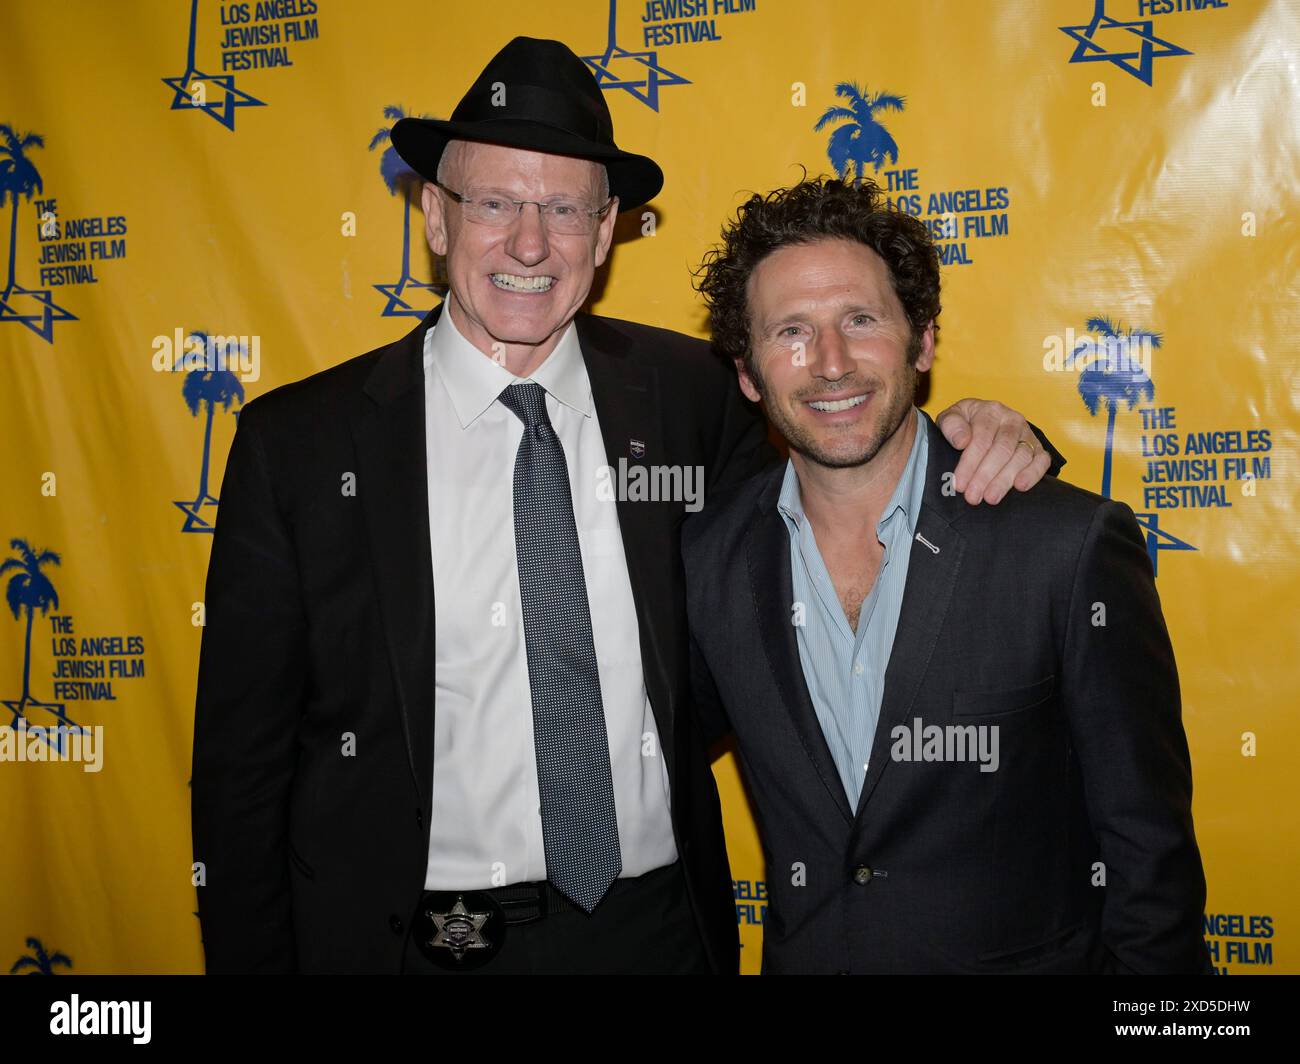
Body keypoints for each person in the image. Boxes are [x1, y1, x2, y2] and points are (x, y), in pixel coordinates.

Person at [191, 36, 1058, 975]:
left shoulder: (696, 397)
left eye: (564, 208)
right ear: (436, 217)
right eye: (495, 203)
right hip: (414, 944)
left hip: (656, 937)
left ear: (605, 234)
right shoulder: (302, 445)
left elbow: (847, 450)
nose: (530, 243)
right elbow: (242, 771)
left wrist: (985, 432)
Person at [684, 175, 1212, 974]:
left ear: (922, 342)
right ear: (750, 372)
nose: (831, 362)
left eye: (860, 320)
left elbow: (1150, 857)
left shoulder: (1064, 546)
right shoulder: (709, 556)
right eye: (791, 330)